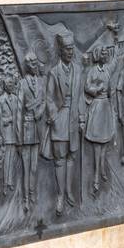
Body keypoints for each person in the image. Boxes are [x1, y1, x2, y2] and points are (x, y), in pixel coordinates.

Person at [42, 34, 85, 215]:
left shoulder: (78, 70)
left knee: (71, 157)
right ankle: (59, 196)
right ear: (61, 51)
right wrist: (53, 115)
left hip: (74, 120)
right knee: (60, 160)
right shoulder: (54, 72)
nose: (71, 51)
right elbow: (49, 98)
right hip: (59, 120)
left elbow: (81, 96)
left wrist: (82, 118)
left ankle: (68, 191)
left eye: (72, 48)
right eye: (67, 49)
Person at [16, 51, 46, 213]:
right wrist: (19, 140)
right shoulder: (22, 84)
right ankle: (25, 199)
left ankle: (33, 194)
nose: (36, 66)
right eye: (33, 64)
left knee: (34, 167)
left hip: (37, 131)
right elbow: (18, 111)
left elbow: (44, 101)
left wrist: (39, 111)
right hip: (26, 129)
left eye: (36, 63)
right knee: (26, 168)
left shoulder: (41, 82)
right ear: (28, 66)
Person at [84, 47, 116, 194]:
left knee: (104, 142)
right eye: (103, 54)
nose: (106, 56)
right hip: (97, 106)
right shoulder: (93, 70)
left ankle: (102, 168)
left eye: (106, 54)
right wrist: (96, 89)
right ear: (98, 56)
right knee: (97, 143)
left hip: (106, 107)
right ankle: (96, 175)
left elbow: (111, 87)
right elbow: (87, 86)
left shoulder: (108, 70)